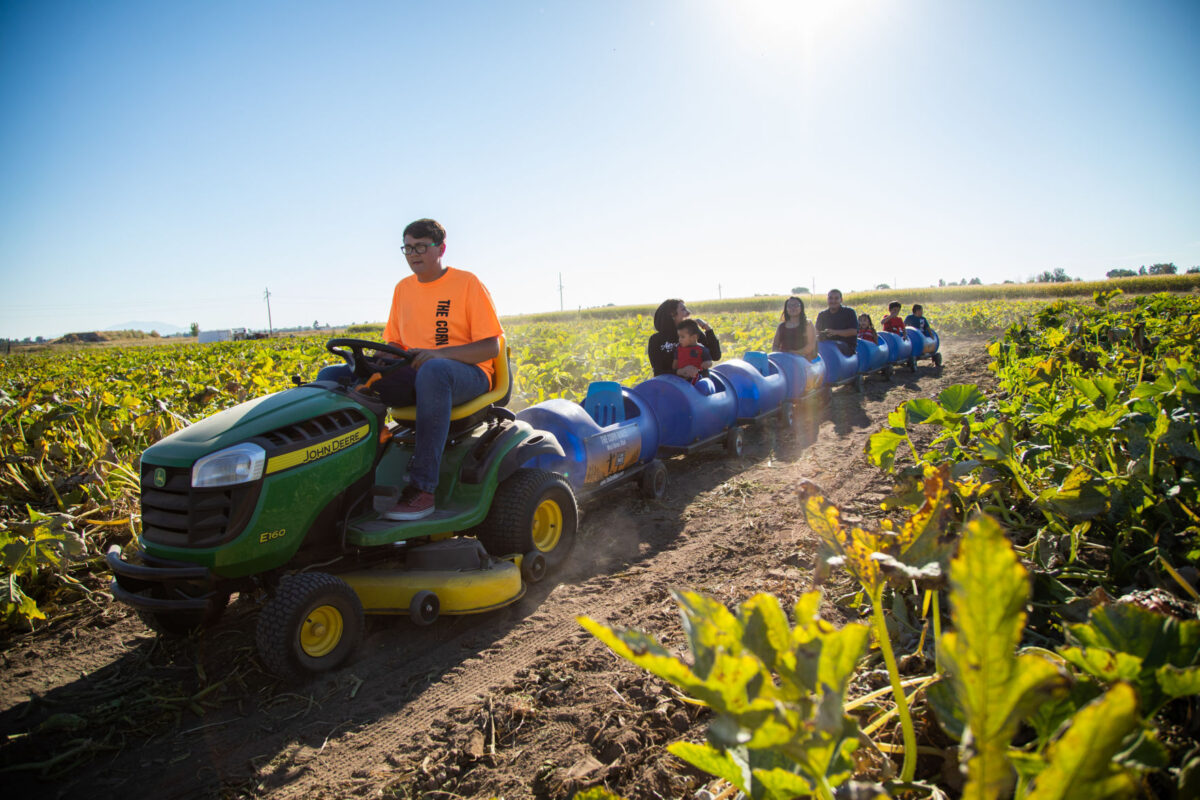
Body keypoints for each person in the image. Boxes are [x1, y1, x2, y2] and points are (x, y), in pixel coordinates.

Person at [317, 218, 503, 521]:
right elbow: (394, 343)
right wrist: (369, 361)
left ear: (440, 248)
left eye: (421, 246)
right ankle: (343, 480)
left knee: (435, 371)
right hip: (418, 373)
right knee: (332, 377)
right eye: (407, 248)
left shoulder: (467, 283)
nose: (413, 254)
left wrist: (435, 354)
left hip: (468, 374)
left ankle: (423, 488)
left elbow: (490, 348)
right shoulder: (403, 289)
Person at [647, 299, 721, 379]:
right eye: (683, 309)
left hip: (699, 384)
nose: (689, 312)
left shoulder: (693, 333)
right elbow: (658, 372)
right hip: (671, 385)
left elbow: (715, 356)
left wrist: (708, 329)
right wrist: (680, 372)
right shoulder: (656, 340)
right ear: (672, 314)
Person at [814, 289, 858, 356]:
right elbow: (816, 331)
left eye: (836, 298)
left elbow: (854, 331)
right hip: (825, 344)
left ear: (841, 300)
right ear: (827, 300)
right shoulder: (822, 315)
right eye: (830, 298)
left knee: (831, 347)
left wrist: (835, 332)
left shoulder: (849, 312)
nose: (833, 301)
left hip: (845, 346)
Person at [672, 319, 713, 384]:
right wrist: (678, 371)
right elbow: (675, 365)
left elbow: (709, 362)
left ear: (694, 337)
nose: (680, 340)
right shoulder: (678, 349)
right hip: (683, 378)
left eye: (682, 337)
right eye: (679, 337)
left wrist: (706, 364)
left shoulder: (701, 349)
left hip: (699, 377)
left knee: (704, 383)